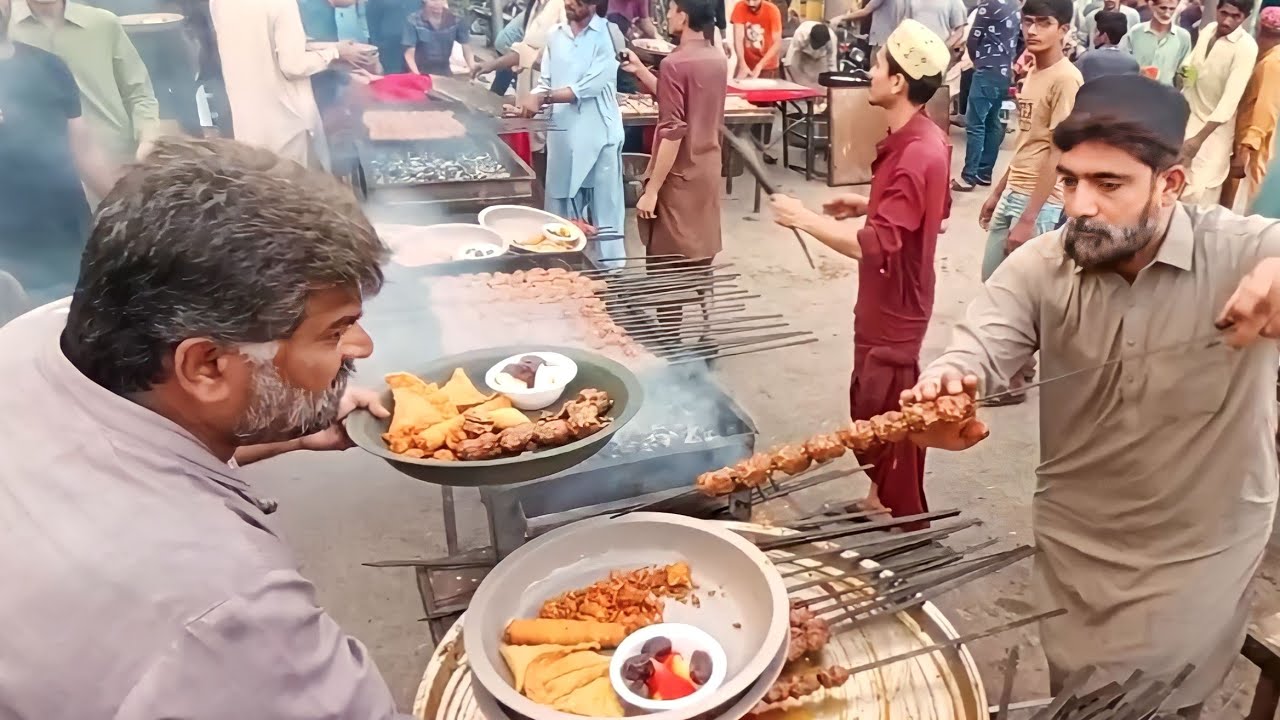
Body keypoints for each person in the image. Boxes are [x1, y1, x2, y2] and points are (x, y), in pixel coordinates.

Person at [0, 136, 417, 718]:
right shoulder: (228, 615)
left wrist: (285, 429)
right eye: (334, 331)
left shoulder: (35, 339)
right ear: (207, 366)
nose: (363, 347)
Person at [904, 73, 1280, 719]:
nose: (1079, 205)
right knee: (1079, 696)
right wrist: (945, 389)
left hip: (1200, 549)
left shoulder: (1242, 250)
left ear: (1170, 185)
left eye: (1109, 185)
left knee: (1160, 701)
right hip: (1077, 543)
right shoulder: (1043, 265)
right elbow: (979, 346)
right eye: (1070, 180)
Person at [769, 19, 952, 521]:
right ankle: (879, 499)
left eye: (876, 65)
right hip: (886, 298)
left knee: (888, 417)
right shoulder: (921, 140)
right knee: (871, 406)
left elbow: (876, 247)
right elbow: (926, 212)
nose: (869, 72)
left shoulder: (918, 152)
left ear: (897, 82)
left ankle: (904, 519)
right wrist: (869, 204)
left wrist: (802, 218)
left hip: (897, 304)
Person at [0, 0, 116, 304]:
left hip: (67, 240)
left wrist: (131, 206)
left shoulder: (47, 64)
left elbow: (84, 149)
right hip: (7, 256)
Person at [981, 0, 1081, 281]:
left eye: (1044, 23)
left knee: (1022, 293)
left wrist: (1029, 218)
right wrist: (998, 192)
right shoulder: (1033, 72)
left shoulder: (1066, 79)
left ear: (1063, 30)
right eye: (1028, 22)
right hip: (1015, 190)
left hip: (1041, 202)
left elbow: (1058, 150)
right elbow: (1028, 142)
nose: (1032, 30)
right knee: (992, 283)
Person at [621, 0, 728, 261]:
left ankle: (670, 303)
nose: (667, 15)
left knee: (668, 263)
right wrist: (642, 72)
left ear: (684, 15)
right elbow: (684, 103)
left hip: (679, 174)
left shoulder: (675, 63)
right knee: (700, 250)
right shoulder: (717, 58)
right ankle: (702, 298)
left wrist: (653, 190)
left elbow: (673, 132)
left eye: (671, 8)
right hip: (707, 169)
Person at [521, 0, 625, 265]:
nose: (568, 3)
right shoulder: (555, 36)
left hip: (600, 136)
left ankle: (611, 276)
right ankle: (561, 265)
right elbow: (544, 82)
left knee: (606, 210)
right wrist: (531, 101)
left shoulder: (609, 35)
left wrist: (543, 98)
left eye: (577, 0)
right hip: (563, 136)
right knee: (559, 208)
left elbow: (587, 88)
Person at [211, 0, 372, 171]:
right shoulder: (282, 4)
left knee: (258, 185)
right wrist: (334, 53)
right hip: (287, 126)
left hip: (248, 124)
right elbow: (293, 65)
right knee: (299, 191)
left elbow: (268, 47)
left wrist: (333, 49)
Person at [10, 0, 159, 169]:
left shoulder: (103, 23)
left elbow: (139, 92)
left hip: (117, 162)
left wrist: (148, 140)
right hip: (42, 169)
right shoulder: (6, 29)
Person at [1180, 0, 1258, 206]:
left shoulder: (1246, 48)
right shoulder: (1208, 30)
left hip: (1213, 131)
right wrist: (1185, 72)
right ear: (1216, 9)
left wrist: (1197, 141)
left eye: (1236, 17)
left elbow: (1229, 102)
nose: (1227, 20)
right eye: (1224, 13)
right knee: (1176, 181)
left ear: (1245, 18)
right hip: (1187, 117)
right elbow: (1191, 63)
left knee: (1199, 191)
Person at [953, 0, 1020, 191]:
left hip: (986, 70)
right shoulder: (1015, 6)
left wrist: (977, 61)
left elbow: (973, 40)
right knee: (993, 122)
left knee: (975, 124)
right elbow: (1020, 40)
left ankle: (969, 177)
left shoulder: (987, 5)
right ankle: (984, 173)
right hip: (1004, 72)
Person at [1225, 7, 1280, 209]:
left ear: (1259, 28)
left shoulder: (1273, 63)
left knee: (1241, 208)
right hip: (1251, 145)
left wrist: (1244, 152)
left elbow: (1266, 111)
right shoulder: (1269, 57)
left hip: (1252, 152)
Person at [1118, 0, 1192, 84]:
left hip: (1165, 94)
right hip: (1136, 90)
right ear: (1151, 5)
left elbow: (1184, 71)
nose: (1167, 13)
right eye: (1163, 8)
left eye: (1172, 9)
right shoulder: (1135, 32)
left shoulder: (1183, 37)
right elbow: (1123, 63)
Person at [403, 0, 474, 75]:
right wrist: (418, 76)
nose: (437, 2)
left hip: (444, 72)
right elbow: (409, 54)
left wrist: (473, 68)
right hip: (419, 71)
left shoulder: (456, 19)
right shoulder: (413, 21)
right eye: (433, 0)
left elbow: (467, 47)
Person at [1074, 9, 1139, 79]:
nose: (1094, 35)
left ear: (1104, 36)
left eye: (1096, 31)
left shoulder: (1087, 58)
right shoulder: (1132, 62)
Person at [731, 0, 782, 78]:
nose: (751, 3)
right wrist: (742, 63)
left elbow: (777, 43)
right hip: (746, 64)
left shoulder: (772, 10)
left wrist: (760, 65)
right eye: (748, 0)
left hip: (768, 66)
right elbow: (738, 39)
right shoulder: (740, 7)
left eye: (755, 0)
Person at [367, 0, 418, 72]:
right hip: (389, 49)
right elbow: (372, 25)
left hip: (417, 46)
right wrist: (379, 49)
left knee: (419, 79)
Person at [783, 19, 836, 87]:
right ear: (810, 37)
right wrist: (797, 82)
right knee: (800, 83)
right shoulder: (801, 33)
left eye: (819, 45)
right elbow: (789, 61)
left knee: (819, 84)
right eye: (815, 44)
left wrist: (833, 85)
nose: (816, 47)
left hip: (820, 58)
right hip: (803, 55)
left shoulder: (832, 39)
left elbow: (832, 64)